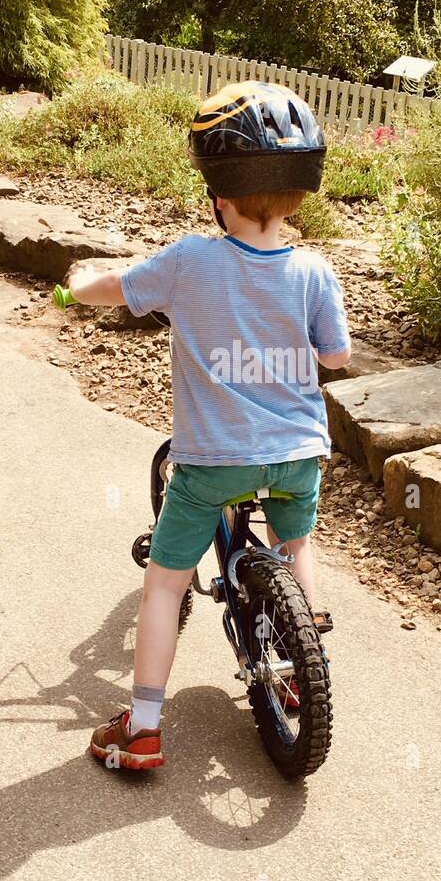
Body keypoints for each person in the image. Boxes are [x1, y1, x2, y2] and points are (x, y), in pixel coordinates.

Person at [67, 81, 351, 770]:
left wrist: (75, 284)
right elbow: (335, 355)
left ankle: (141, 728)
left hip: (212, 463)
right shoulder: (315, 270)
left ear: (217, 194)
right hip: (297, 458)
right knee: (296, 543)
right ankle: (296, 659)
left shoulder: (190, 261)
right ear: (297, 195)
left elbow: (117, 289)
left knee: (164, 584)